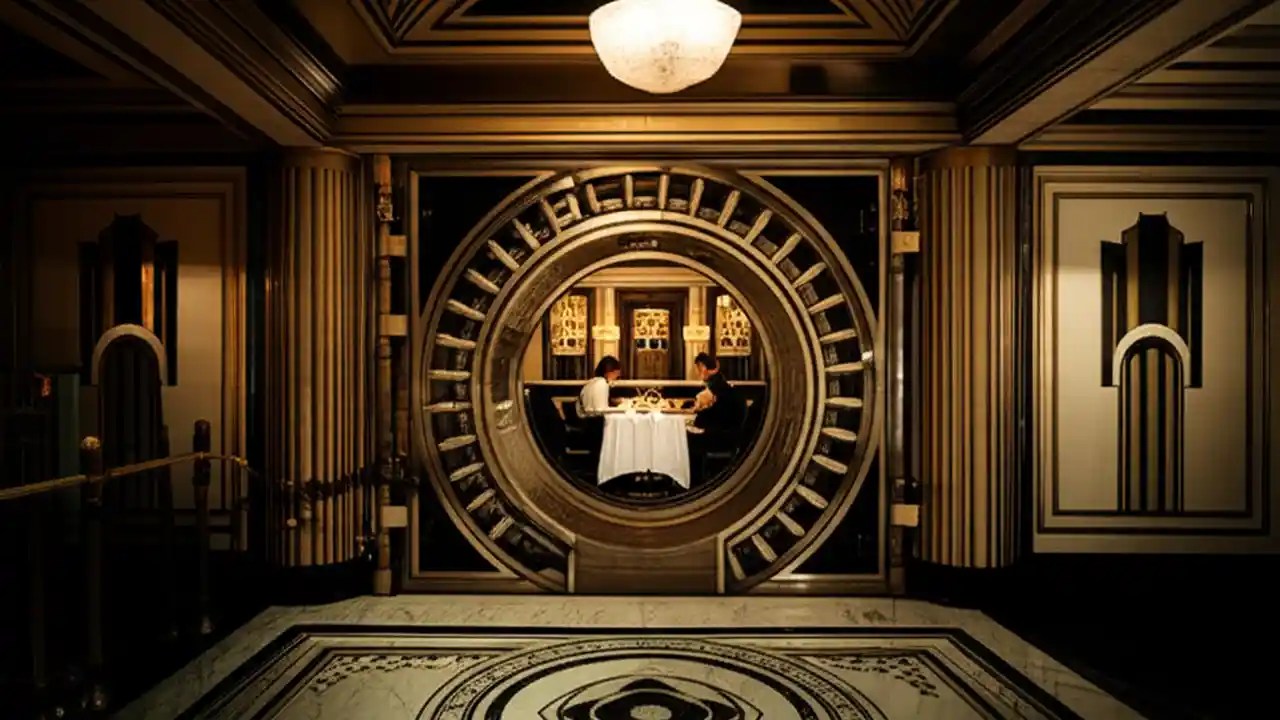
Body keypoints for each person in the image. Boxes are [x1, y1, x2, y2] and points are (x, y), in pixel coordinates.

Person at [576, 356, 621, 463]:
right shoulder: (602, 384)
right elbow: (601, 410)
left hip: (586, 423)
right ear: (609, 372)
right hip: (595, 426)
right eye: (616, 374)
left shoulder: (590, 383)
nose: (616, 378)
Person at [691, 353, 745, 433]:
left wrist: (699, 411)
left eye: (700, 366)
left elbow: (704, 420)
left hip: (721, 435)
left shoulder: (716, 391)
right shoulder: (726, 389)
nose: (698, 372)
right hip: (731, 435)